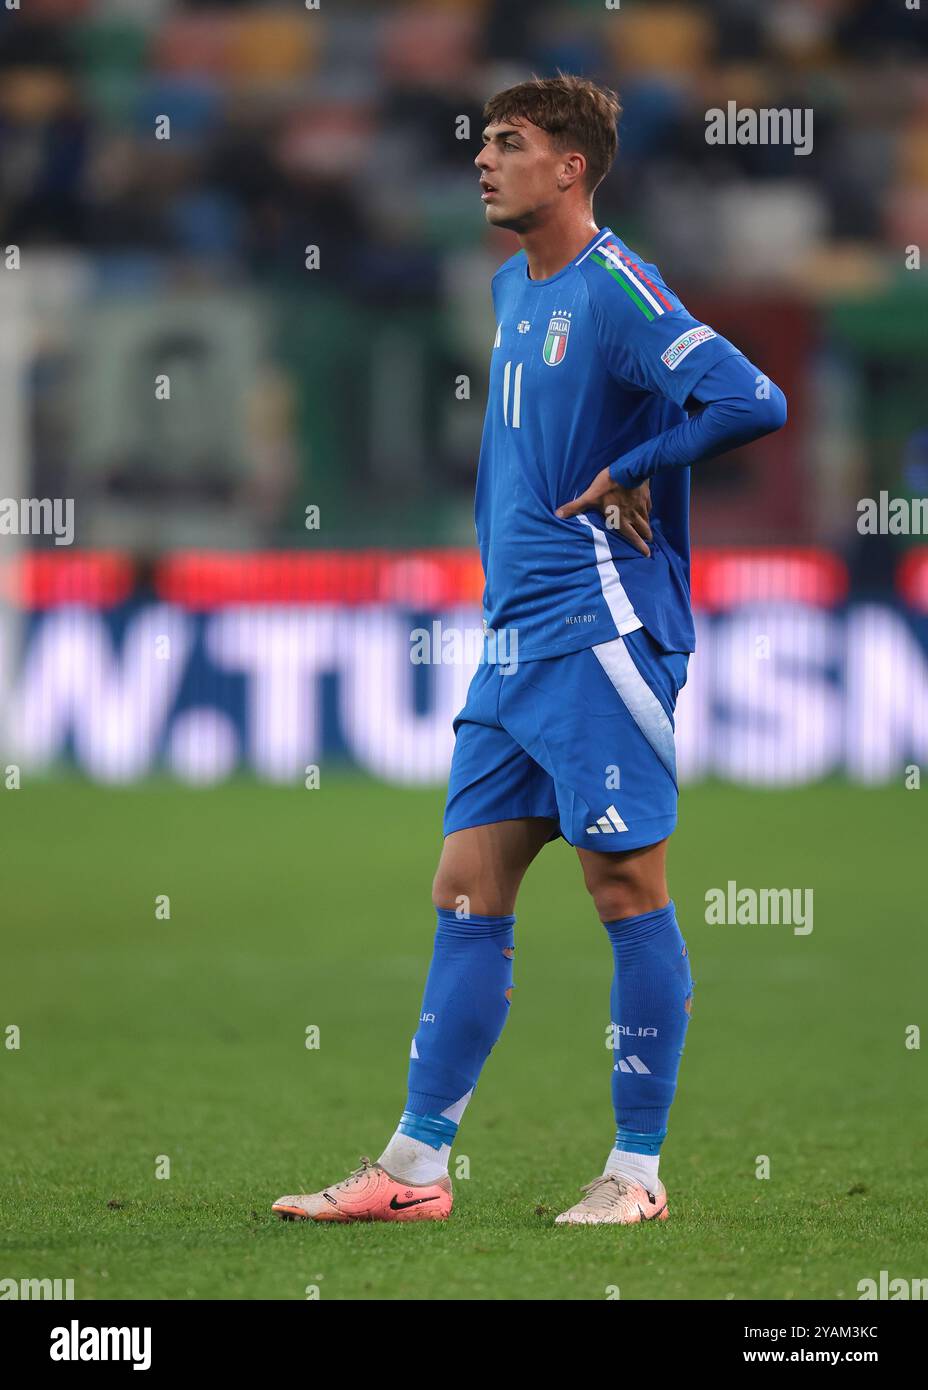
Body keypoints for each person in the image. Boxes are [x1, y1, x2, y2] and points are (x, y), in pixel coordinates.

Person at [272, 73, 786, 1225]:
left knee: (623, 886)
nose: (481, 160)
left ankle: (637, 1175)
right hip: (511, 644)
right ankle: (411, 1171)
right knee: (464, 889)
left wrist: (643, 466)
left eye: (506, 144)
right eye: (481, 143)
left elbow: (752, 398)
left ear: (571, 167)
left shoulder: (617, 287)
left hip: (599, 632)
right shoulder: (512, 284)